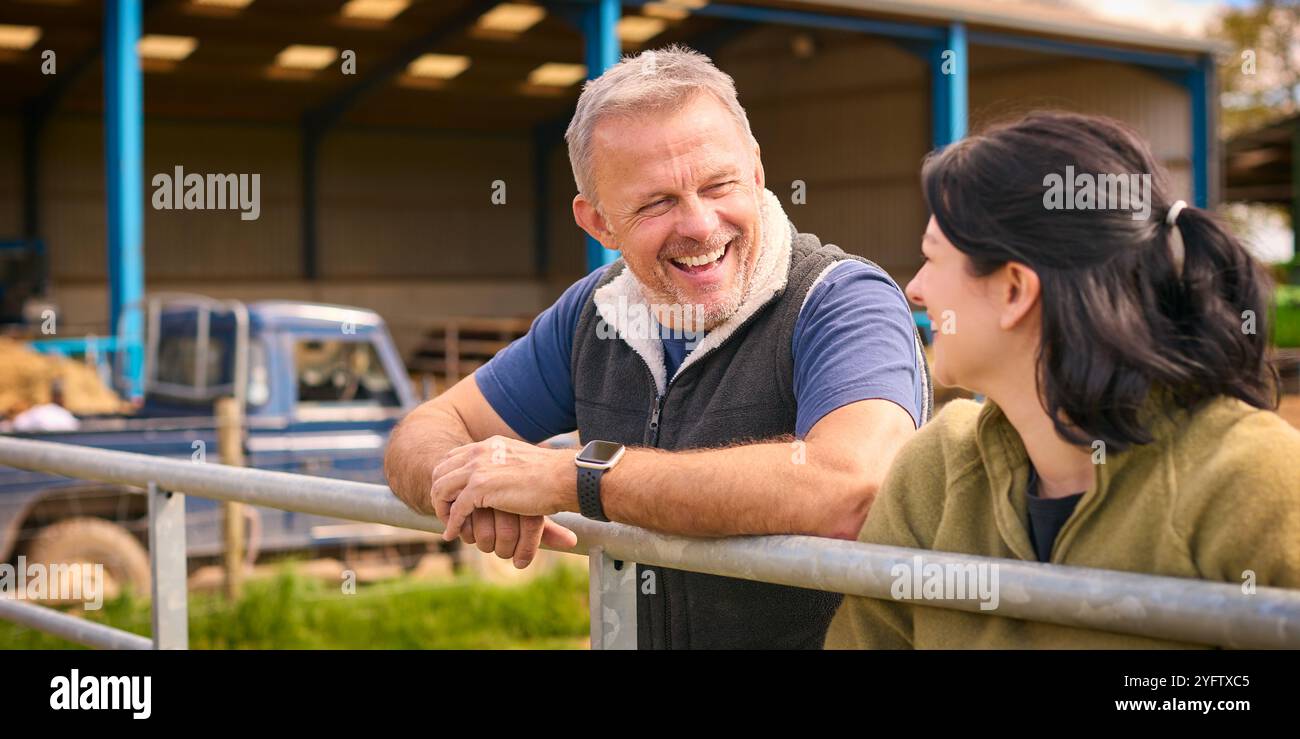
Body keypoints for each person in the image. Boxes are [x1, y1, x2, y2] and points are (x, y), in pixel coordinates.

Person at [384, 46, 931, 649]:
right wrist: (470, 486)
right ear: (598, 224)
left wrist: (579, 479)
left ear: (756, 170)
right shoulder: (593, 313)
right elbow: (432, 425)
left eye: (719, 184)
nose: (699, 224)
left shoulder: (840, 300)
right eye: (656, 203)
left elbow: (849, 487)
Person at [826, 111, 1300, 649]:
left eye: (932, 258)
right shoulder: (935, 469)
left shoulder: (1250, 477)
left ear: (1013, 291)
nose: (915, 288)